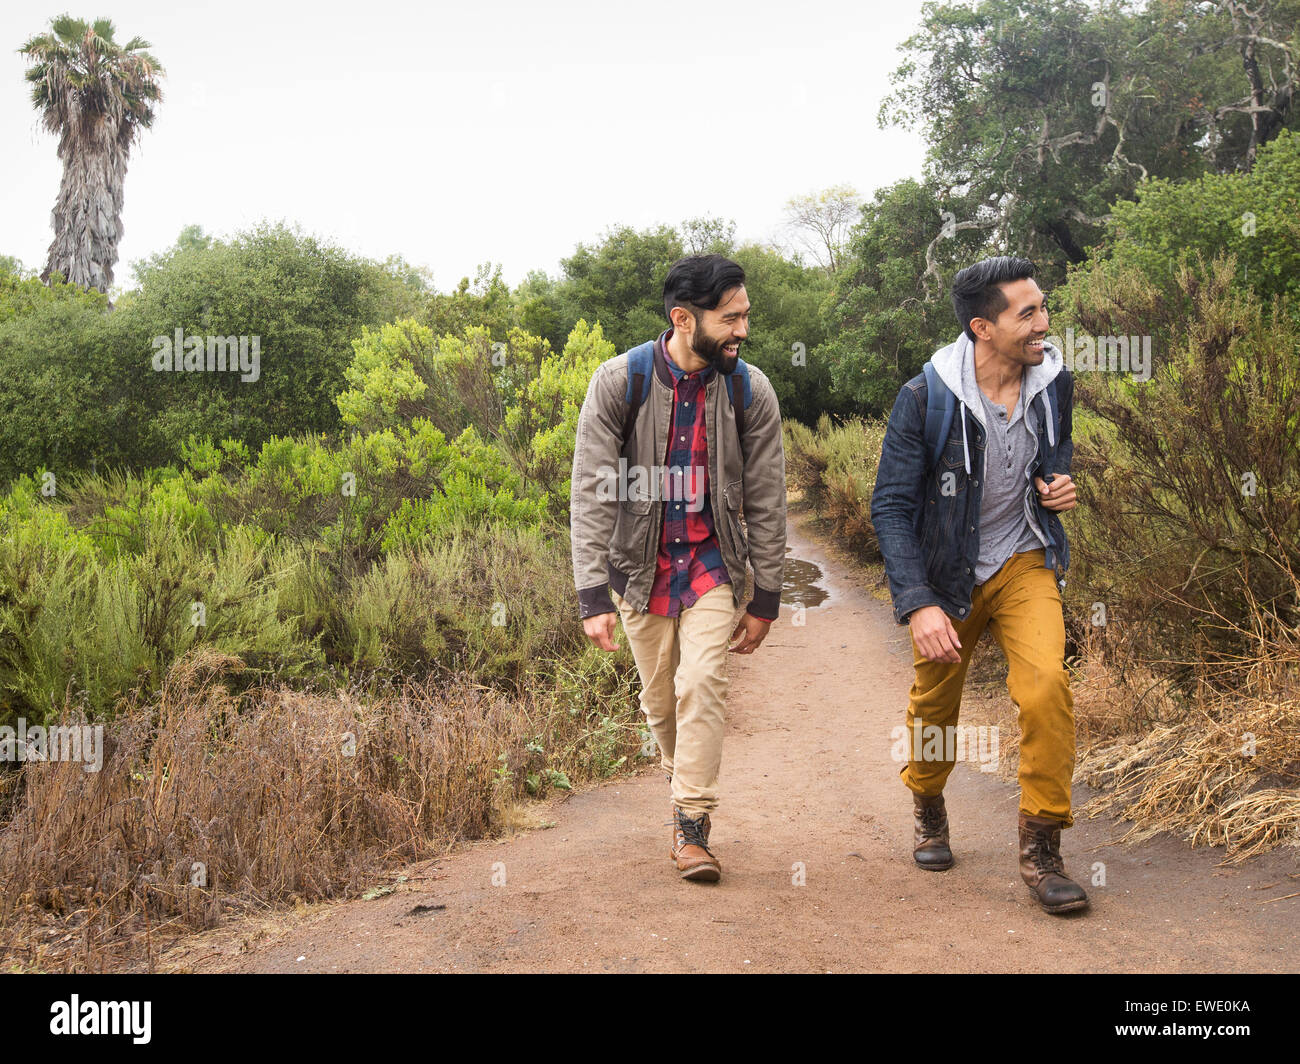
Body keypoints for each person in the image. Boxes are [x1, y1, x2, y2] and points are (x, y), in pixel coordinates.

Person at [869, 255, 1089, 914]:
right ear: (982, 328)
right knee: (936, 706)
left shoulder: (1052, 381)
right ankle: (929, 802)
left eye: (1043, 307)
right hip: (946, 573)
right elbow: (890, 506)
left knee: (1046, 685)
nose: (1044, 323)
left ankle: (1042, 846)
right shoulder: (924, 399)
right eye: (1028, 314)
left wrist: (1058, 486)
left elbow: (1054, 461)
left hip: (1023, 558)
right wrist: (918, 604)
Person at [569, 253, 787, 883]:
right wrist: (591, 596)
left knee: (702, 686)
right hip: (639, 568)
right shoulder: (620, 382)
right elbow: (591, 491)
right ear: (683, 319)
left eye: (746, 315)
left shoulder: (751, 390)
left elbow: (767, 498)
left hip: (712, 562)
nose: (743, 330)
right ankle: (683, 785)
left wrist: (767, 595)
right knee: (660, 702)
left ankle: (692, 828)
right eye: (732, 317)